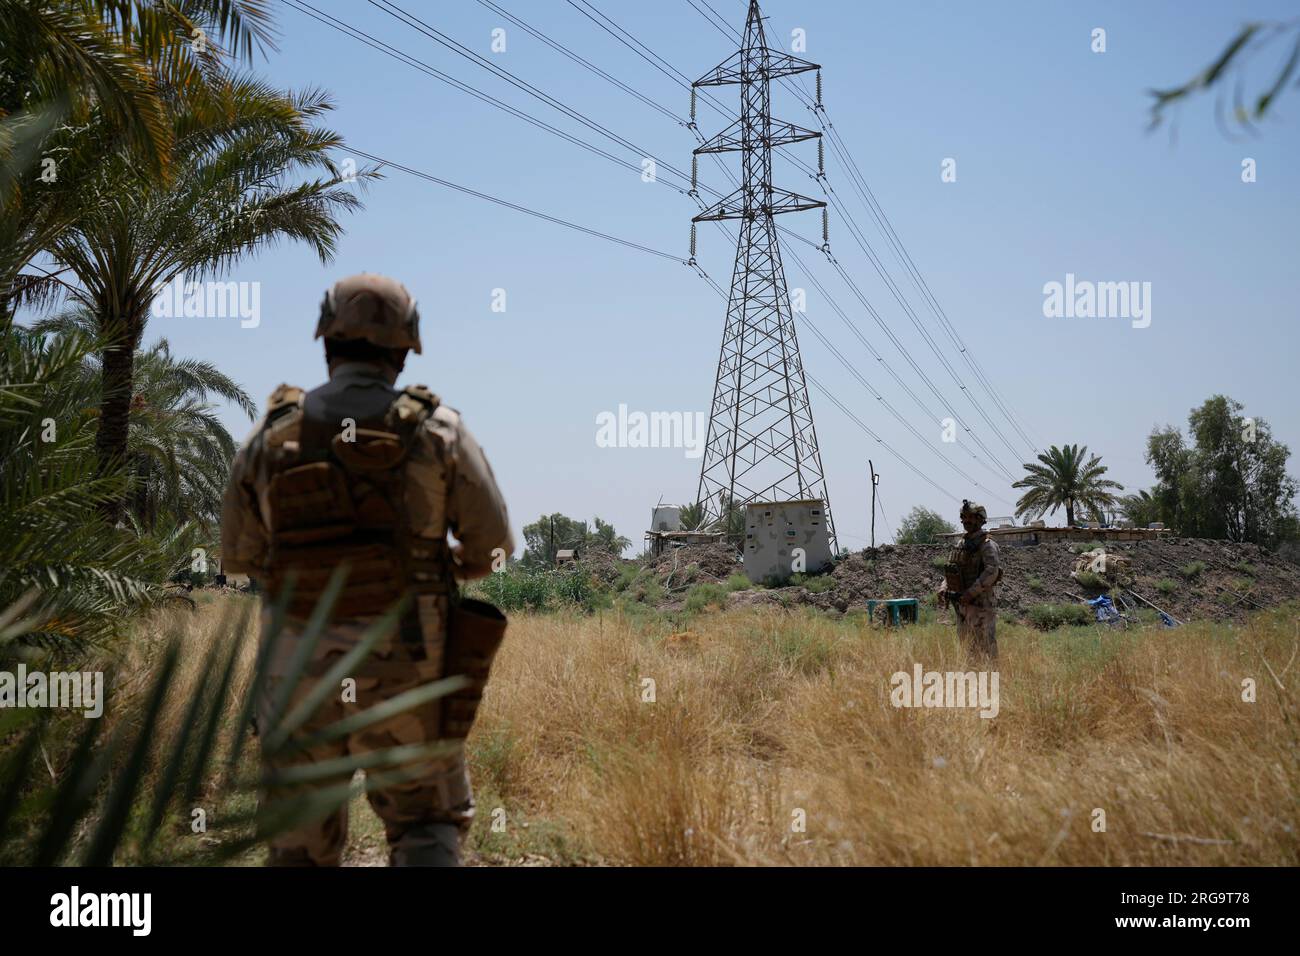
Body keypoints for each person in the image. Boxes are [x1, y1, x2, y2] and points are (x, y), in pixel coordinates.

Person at [220, 273, 514, 866]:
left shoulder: (269, 435)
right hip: (406, 669)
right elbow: (493, 547)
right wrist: (434, 566)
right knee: (425, 823)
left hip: (295, 674)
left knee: (299, 848)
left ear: (326, 343)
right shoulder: (439, 431)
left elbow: (239, 558)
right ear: (404, 350)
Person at [938, 500, 1002, 659]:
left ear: (980, 520)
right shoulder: (961, 543)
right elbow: (952, 568)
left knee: (985, 647)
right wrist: (944, 587)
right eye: (964, 517)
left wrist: (970, 593)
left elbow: (992, 571)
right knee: (967, 647)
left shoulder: (987, 545)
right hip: (962, 604)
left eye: (971, 517)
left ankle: (991, 680)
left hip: (980, 605)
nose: (967, 521)